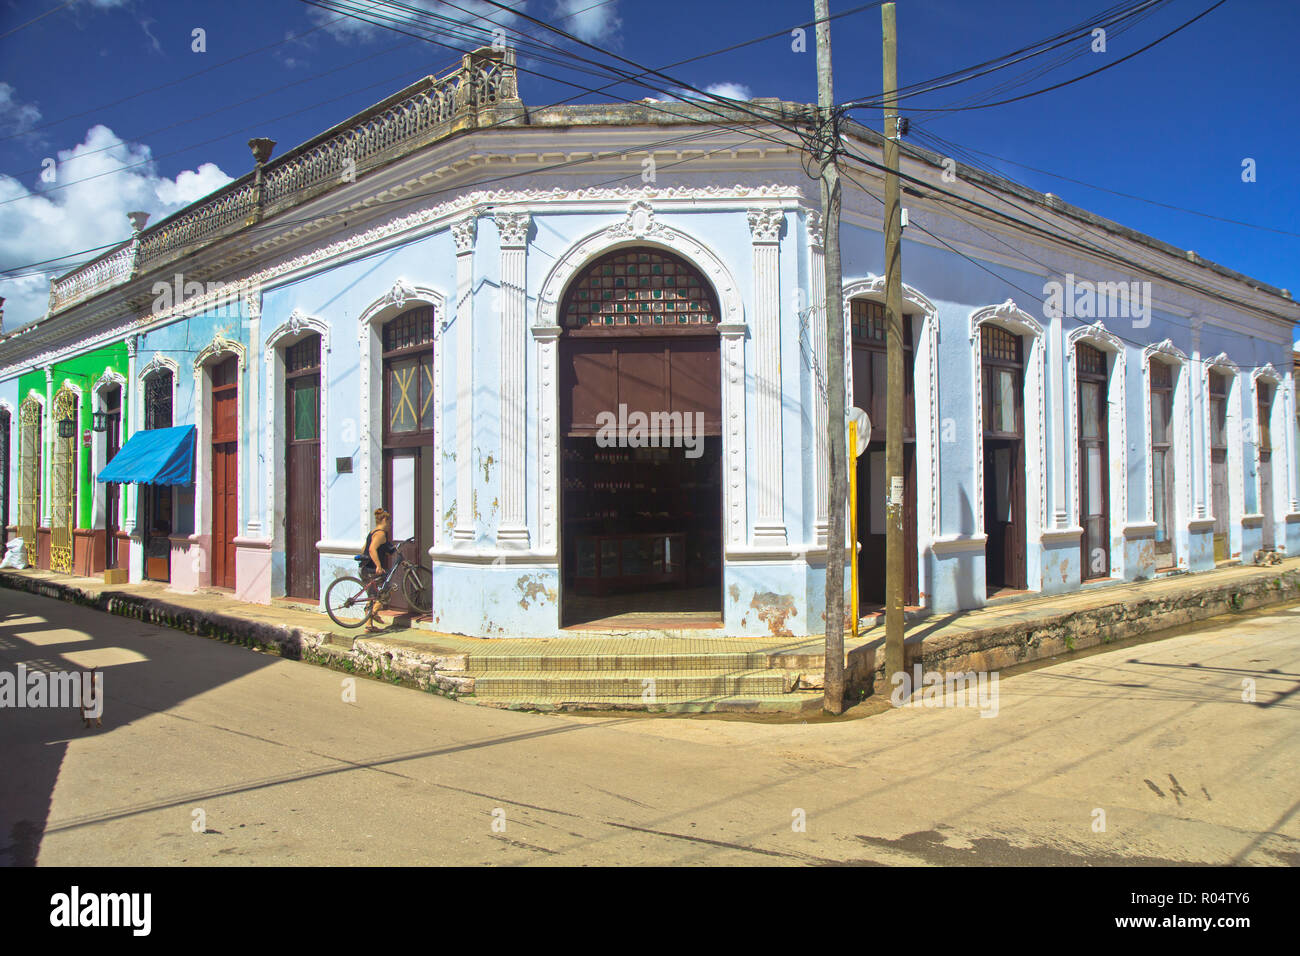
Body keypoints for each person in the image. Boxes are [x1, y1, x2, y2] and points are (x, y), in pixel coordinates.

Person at [359, 507, 398, 632]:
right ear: (385, 520)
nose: (390, 526)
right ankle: (374, 613)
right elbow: (371, 549)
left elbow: (364, 549)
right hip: (372, 570)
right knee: (391, 588)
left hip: (364, 568)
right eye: (390, 522)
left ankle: (369, 626)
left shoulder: (372, 532)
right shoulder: (381, 534)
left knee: (372, 596)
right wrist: (378, 566)